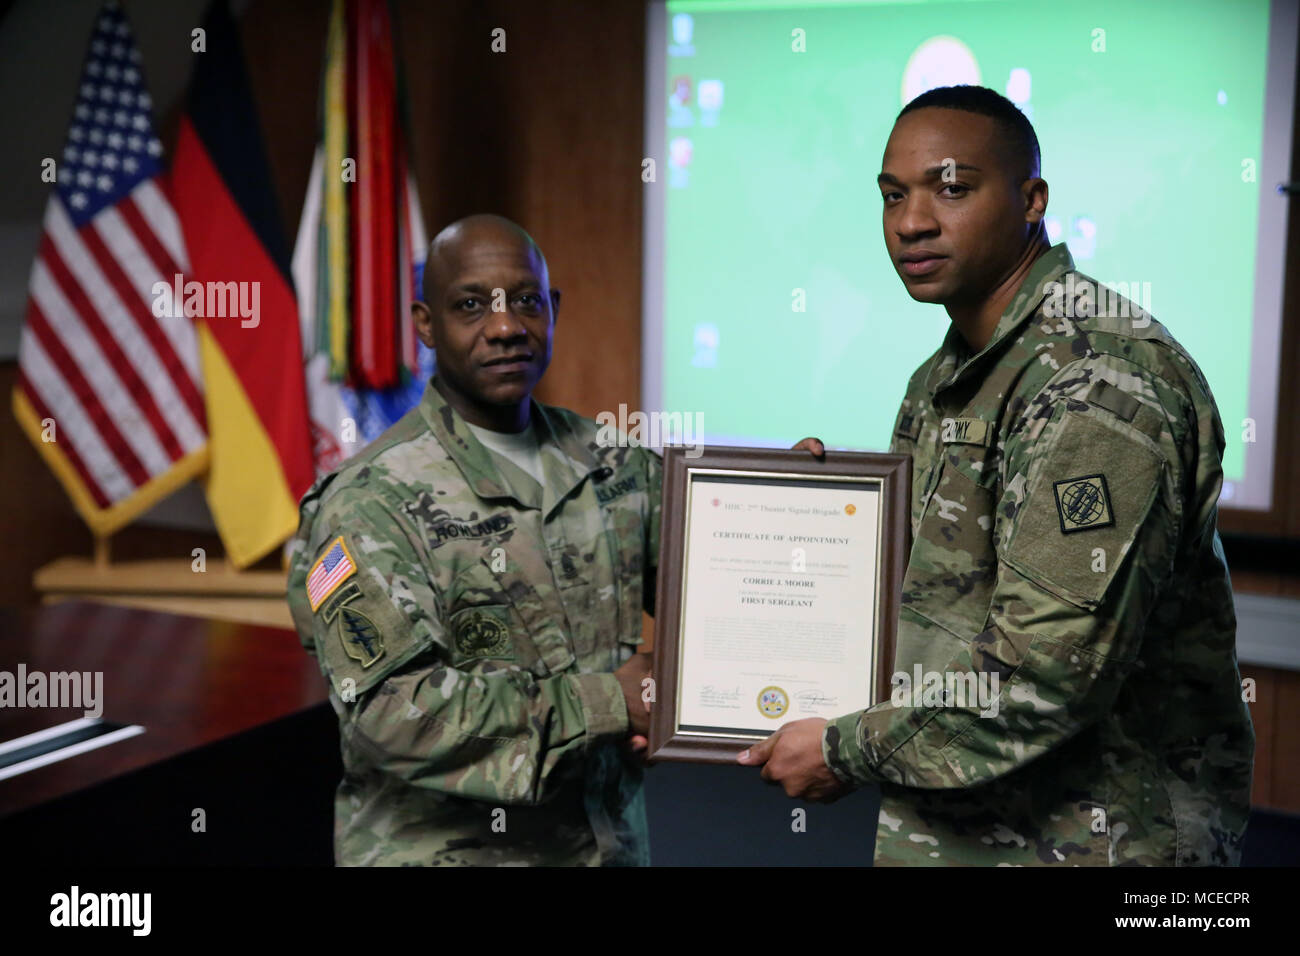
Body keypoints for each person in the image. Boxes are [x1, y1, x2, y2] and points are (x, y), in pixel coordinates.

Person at [740, 85, 1254, 866]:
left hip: (1097, 845)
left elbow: (1041, 678)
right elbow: (933, 598)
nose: (911, 221)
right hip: (971, 832)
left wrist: (844, 749)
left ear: (1030, 200)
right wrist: (814, 518)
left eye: (952, 187)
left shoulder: (1097, 385)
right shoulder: (949, 374)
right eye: (893, 195)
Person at [287, 214, 658, 866]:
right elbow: (392, 714)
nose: (507, 325)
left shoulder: (615, 462)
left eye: (526, 300)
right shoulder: (369, 501)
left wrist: (784, 508)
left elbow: (709, 586)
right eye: (471, 305)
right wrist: (608, 702)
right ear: (425, 324)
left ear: (552, 309)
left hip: (606, 848)